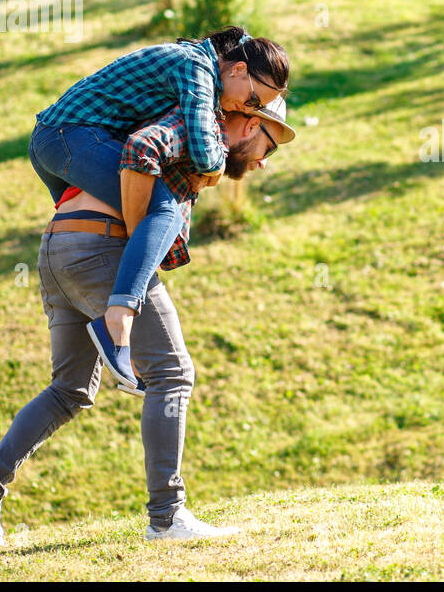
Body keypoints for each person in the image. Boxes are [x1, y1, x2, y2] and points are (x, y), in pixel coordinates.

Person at [0, 102, 296, 543]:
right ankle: (167, 516)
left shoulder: (180, 127)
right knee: (172, 372)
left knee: (68, 388)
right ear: (247, 122)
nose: (263, 161)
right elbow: (142, 151)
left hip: (58, 245)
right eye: (269, 145)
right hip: (100, 248)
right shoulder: (195, 129)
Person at [27, 26, 290, 396]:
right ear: (239, 71)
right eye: (252, 100)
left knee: (142, 218)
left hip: (59, 143)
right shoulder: (196, 69)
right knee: (162, 210)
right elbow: (204, 152)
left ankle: (114, 329)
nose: (247, 109)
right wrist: (216, 167)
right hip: (69, 136)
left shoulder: (204, 77)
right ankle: (117, 323)